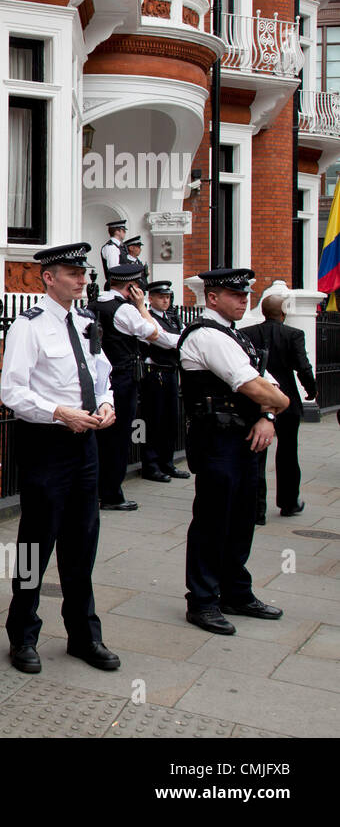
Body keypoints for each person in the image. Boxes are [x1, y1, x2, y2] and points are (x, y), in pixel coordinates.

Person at [0, 242, 121, 675]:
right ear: (48, 278)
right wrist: (58, 412)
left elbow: (101, 375)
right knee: (37, 541)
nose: (83, 278)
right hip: (47, 443)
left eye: (84, 272)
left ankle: (84, 636)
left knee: (83, 540)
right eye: (72, 272)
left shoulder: (87, 321)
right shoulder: (28, 326)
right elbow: (11, 391)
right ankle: (23, 634)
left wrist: (107, 404)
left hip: (85, 442)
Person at [179, 268, 291, 635]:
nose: (245, 300)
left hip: (245, 437)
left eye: (246, 295)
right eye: (236, 295)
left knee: (242, 517)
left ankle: (236, 592)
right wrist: (279, 402)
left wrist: (269, 415)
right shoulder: (209, 337)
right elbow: (255, 386)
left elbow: (266, 385)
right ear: (212, 298)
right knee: (213, 519)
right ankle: (203, 600)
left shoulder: (236, 337)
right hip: (217, 440)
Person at [89, 261, 167, 510]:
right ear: (132, 287)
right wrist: (143, 306)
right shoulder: (126, 310)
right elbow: (154, 333)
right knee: (119, 436)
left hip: (99, 378)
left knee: (99, 436)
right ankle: (112, 493)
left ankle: (95, 490)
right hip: (122, 379)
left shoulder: (94, 304)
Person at [241, 294, 316, 523]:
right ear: (283, 313)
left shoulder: (248, 333)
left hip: (259, 399)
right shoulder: (293, 334)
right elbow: (303, 366)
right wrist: (310, 389)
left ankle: (257, 510)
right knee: (288, 452)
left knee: (257, 453)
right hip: (287, 400)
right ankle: (289, 502)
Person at [139, 281, 190, 483]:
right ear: (150, 299)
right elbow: (164, 339)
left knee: (171, 419)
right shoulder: (147, 318)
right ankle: (151, 466)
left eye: (168, 297)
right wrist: (179, 340)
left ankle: (167, 463)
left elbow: (183, 336)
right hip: (155, 372)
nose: (166, 301)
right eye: (161, 297)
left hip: (171, 371)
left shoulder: (174, 317)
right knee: (155, 420)